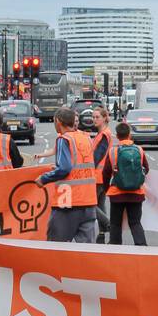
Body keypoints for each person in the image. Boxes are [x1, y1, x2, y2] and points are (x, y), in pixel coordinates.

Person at [37, 106, 98, 242]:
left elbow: (65, 168)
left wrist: (44, 179)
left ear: (58, 121)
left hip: (67, 202)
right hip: (88, 201)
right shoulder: (86, 138)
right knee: (87, 252)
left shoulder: (63, 139)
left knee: (57, 249)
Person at [103, 120, 148, 245]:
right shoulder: (139, 150)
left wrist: (108, 189)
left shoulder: (113, 151)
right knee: (135, 223)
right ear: (130, 134)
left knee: (115, 223)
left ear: (117, 136)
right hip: (136, 193)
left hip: (117, 194)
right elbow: (146, 169)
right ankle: (142, 248)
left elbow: (106, 173)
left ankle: (115, 248)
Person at [89, 105, 113, 244]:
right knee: (100, 204)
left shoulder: (104, 135)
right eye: (93, 117)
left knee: (90, 204)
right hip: (103, 175)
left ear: (105, 118)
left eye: (97, 117)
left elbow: (97, 156)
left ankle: (109, 224)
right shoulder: (104, 133)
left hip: (97, 175)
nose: (94, 119)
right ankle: (102, 234)